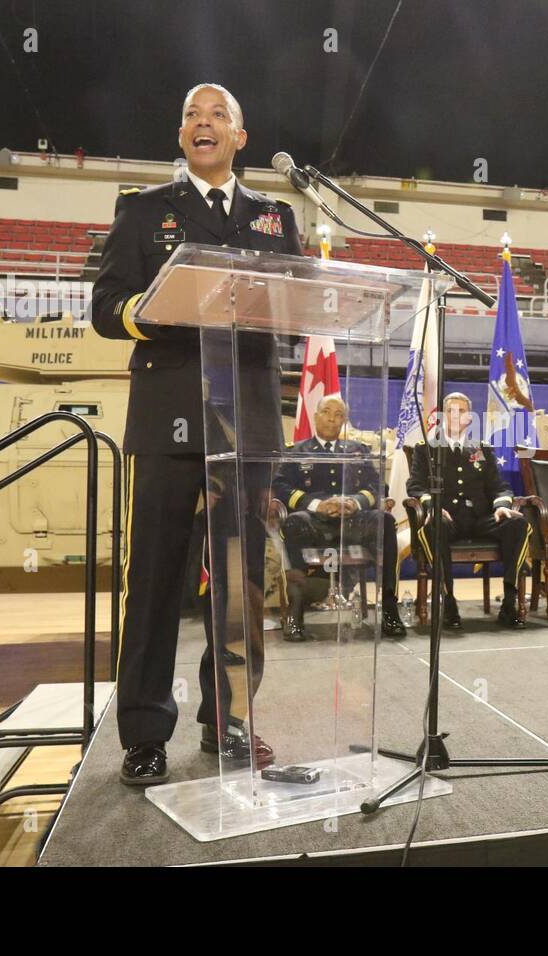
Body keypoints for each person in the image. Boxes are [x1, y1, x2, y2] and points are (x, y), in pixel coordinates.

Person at [91, 83, 303, 785]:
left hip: (245, 424)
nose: (202, 123)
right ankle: (145, 734)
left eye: (218, 116)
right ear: (181, 136)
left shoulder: (275, 218)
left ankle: (230, 723)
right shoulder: (143, 211)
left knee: (238, 588)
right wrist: (158, 310)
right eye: (191, 115)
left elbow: (292, 307)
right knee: (153, 582)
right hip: (166, 419)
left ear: (240, 138)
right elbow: (105, 307)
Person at [273, 395, 407, 641]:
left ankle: (389, 609)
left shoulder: (358, 450)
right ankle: (294, 614)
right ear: (315, 416)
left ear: (344, 420)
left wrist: (354, 502)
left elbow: (378, 487)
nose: (332, 419)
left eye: (338, 415)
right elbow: (280, 487)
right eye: (326, 412)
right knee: (292, 524)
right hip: (314, 522)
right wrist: (317, 504)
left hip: (352, 522)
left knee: (385, 521)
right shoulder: (296, 451)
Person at [406, 393, 531, 630]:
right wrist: (432, 505)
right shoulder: (427, 449)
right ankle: (448, 602)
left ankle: (509, 603)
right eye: (450, 410)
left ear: (470, 418)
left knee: (518, 524)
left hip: (480, 519)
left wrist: (502, 507)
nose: (456, 415)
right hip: (446, 518)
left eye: (462, 411)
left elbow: (499, 486)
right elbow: (415, 486)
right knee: (435, 526)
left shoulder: (480, 449)